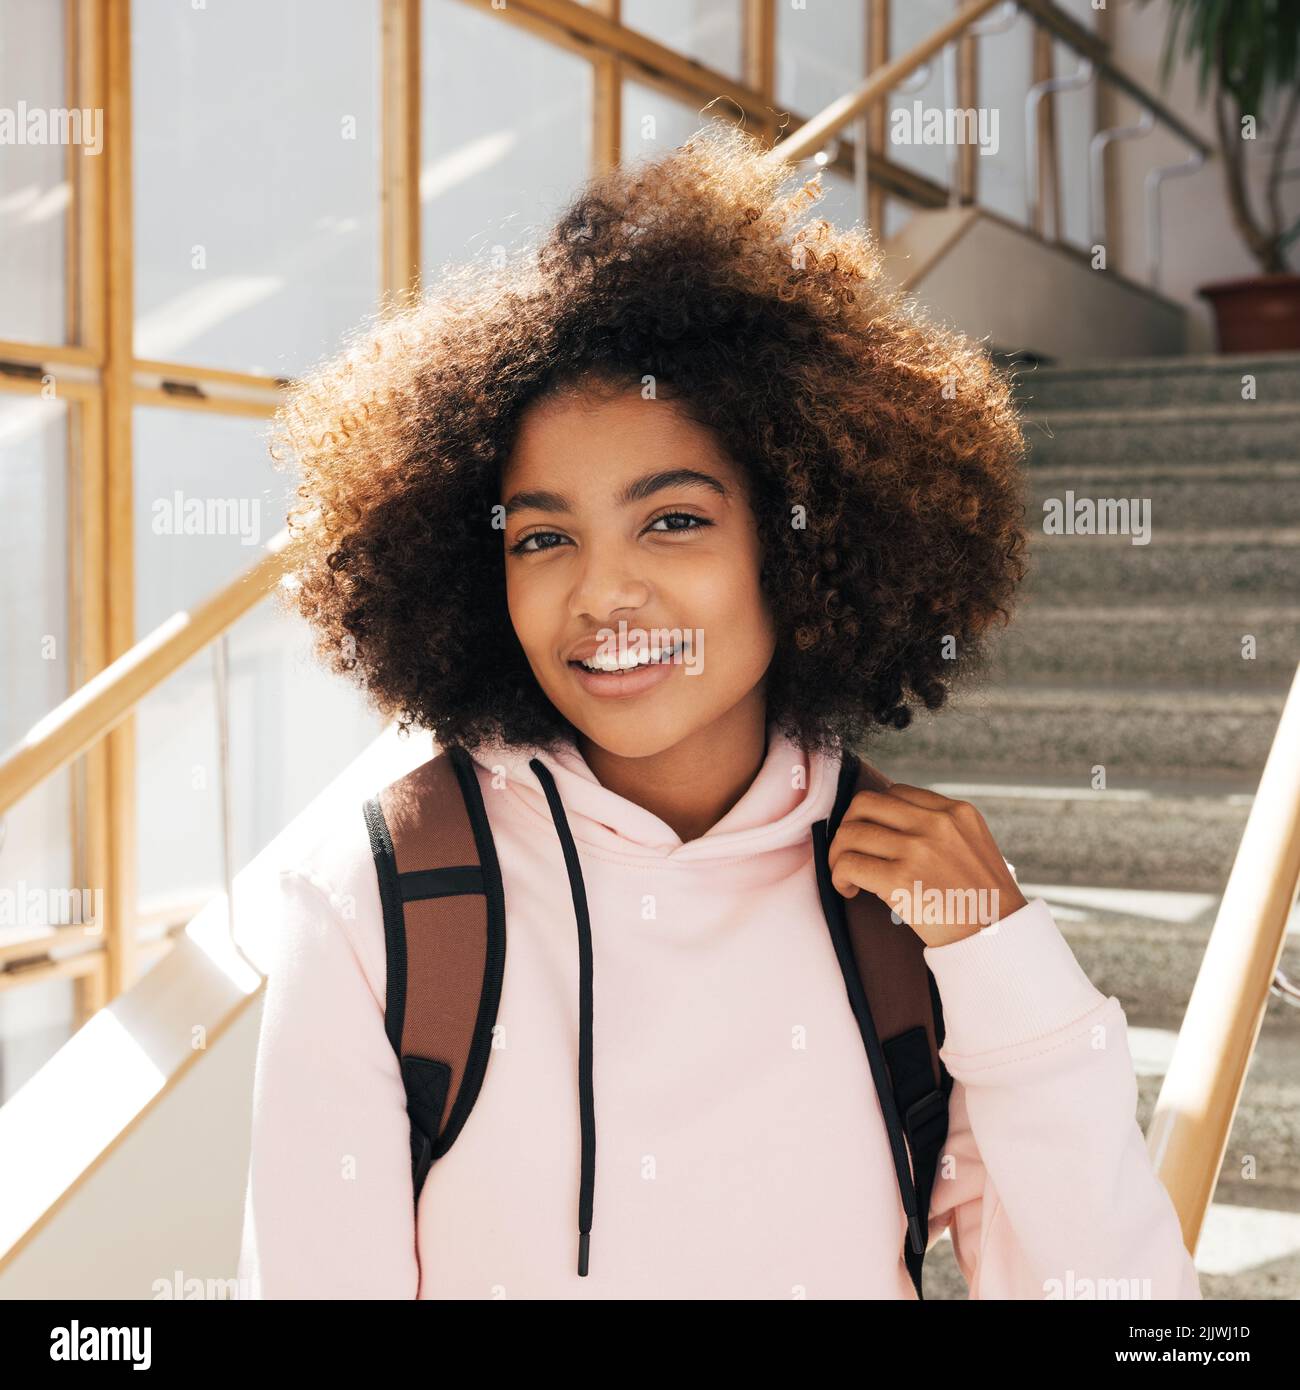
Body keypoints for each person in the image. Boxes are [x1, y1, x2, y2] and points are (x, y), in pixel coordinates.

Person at [235, 122, 1201, 1300]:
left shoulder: (908, 910)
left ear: (799, 540)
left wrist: (1006, 959)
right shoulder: (382, 895)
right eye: (542, 537)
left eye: (674, 520)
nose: (601, 593)